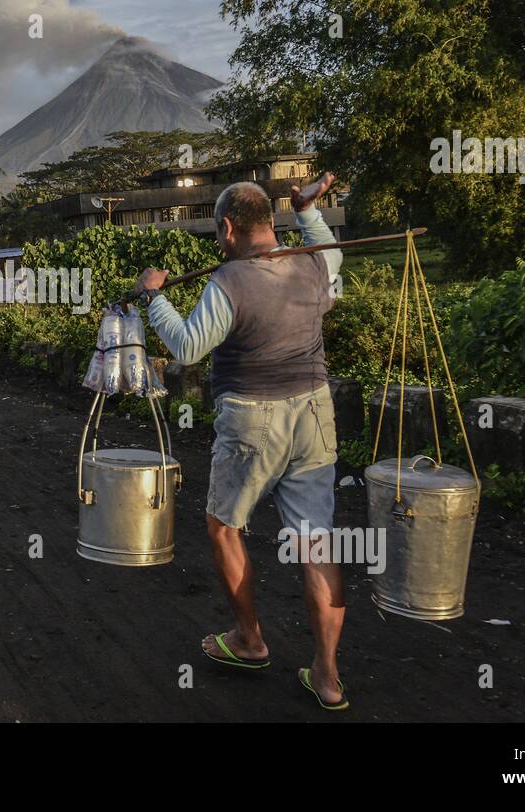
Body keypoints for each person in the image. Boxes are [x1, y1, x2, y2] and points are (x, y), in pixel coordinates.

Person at [132, 172, 350, 711]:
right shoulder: (314, 261)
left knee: (224, 526)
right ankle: (327, 676)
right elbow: (331, 248)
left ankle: (251, 641)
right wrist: (307, 211)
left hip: (253, 420)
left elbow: (187, 348)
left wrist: (153, 297)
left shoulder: (227, 283)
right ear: (271, 222)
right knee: (316, 542)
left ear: (227, 229)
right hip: (316, 414)